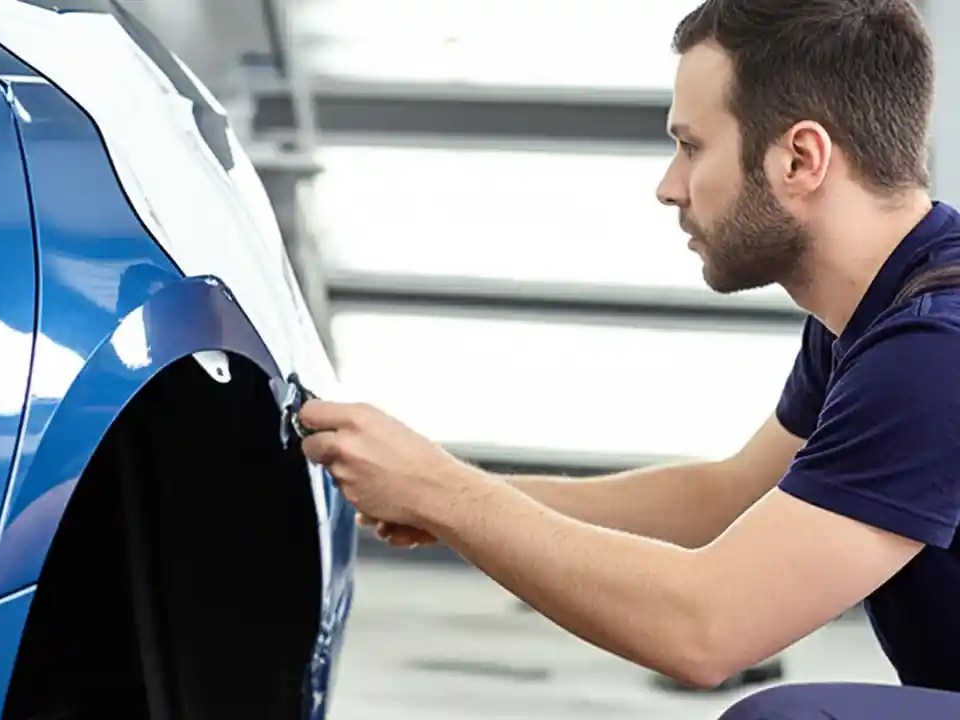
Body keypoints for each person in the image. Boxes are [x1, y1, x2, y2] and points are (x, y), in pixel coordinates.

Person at [297, 0, 960, 716]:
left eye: (692, 146)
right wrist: (456, 495)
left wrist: (447, 494)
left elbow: (708, 629)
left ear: (799, 159)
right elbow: (729, 498)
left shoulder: (932, 353)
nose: (669, 186)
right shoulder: (877, 310)